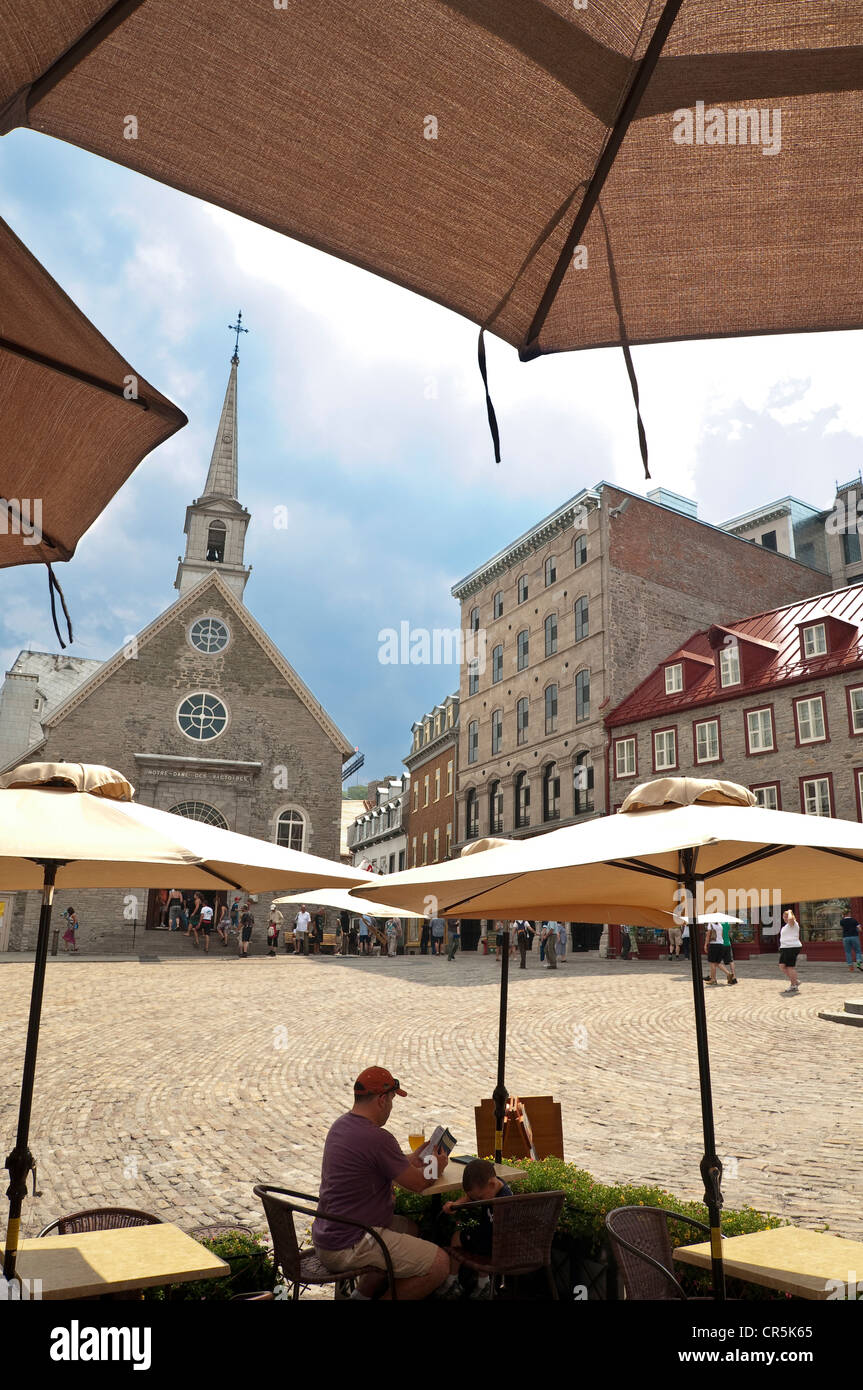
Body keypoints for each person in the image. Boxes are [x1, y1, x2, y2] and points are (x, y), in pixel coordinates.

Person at [311, 1068, 452, 1300]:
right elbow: (418, 1183)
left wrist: (410, 1159)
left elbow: (373, 1164)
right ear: (382, 1099)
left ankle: (360, 1296)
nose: (392, 1107)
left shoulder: (340, 1126)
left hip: (330, 1234)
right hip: (353, 1241)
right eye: (392, 1100)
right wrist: (437, 1164)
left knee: (412, 1231)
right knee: (439, 1264)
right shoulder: (378, 1137)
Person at [444, 1158, 514, 1298]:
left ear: (492, 1184)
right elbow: (469, 1198)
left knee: (457, 1237)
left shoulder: (504, 1201)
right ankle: (484, 1284)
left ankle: (452, 1282)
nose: (478, 1201)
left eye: (480, 1197)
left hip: (495, 1246)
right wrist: (455, 1204)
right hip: (493, 1240)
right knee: (472, 1232)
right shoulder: (495, 1186)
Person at [706, 919, 737, 986]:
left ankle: (713, 979)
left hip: (714, 944)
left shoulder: (711, 923)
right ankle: (730, 975)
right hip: (722, 944)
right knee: (719, 962)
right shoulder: (722, 924)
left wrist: (706, 944)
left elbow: (708, 935)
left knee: (712, 963)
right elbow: (723, 934)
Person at [779, 909, 802, 995]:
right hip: (785, 948)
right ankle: (795, 980)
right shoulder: (785, 926)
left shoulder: (794, 923)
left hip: (792, 947)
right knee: (782, 966)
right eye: (783, 916)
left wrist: (789, 912)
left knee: (790, 967)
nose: (785, 918)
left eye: (786, 916)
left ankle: (793, 985)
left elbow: (791, 919)